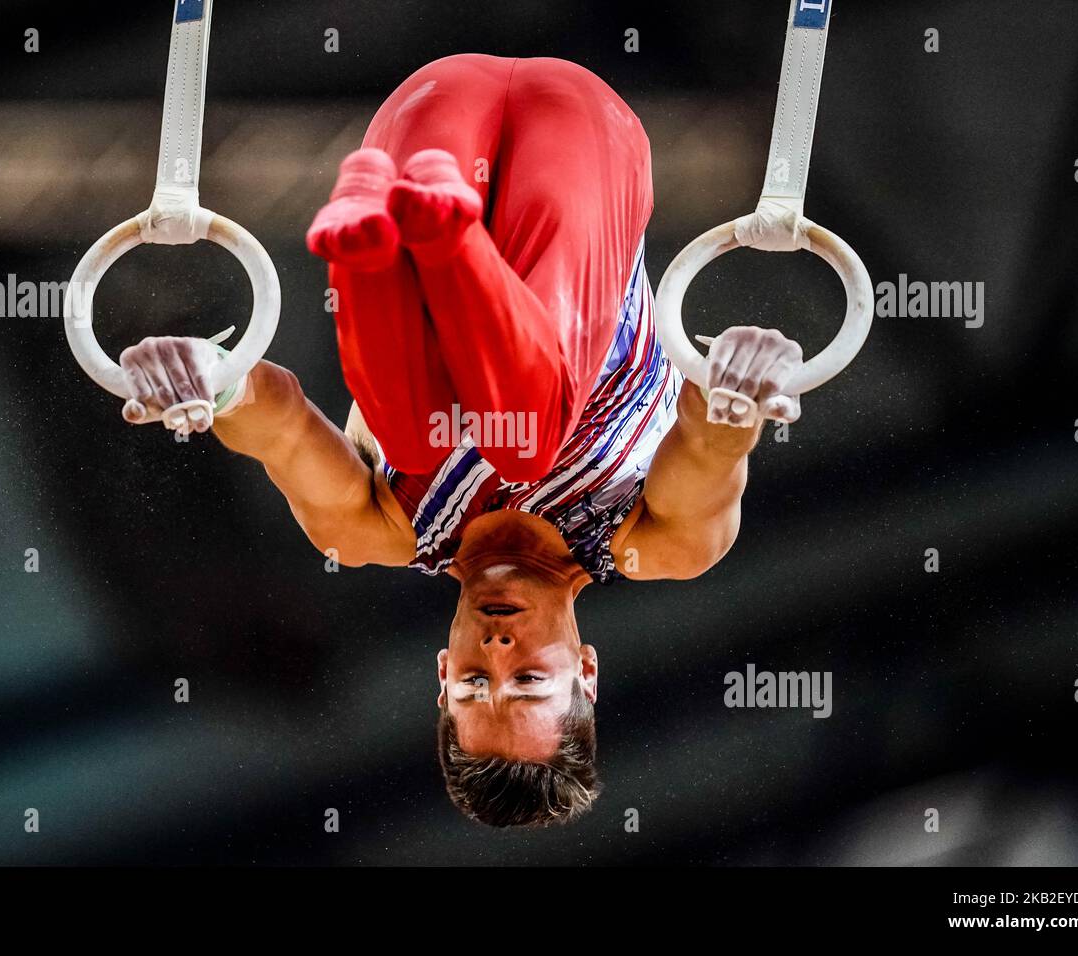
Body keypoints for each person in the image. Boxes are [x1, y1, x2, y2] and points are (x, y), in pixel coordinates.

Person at [116, 54, 803, 827]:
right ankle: (437, 239)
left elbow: (274, 418)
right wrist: (741, 388)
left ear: (442, 674)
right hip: (580, 147)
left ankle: (381, 240)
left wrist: (207, 379)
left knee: (416, 444)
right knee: (523, 446)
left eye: (476, 683)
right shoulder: (659, 540)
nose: (499, 651)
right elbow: (713, 444)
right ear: (586, 672)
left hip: (432, 123)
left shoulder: (371, 527)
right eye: (531, 683)